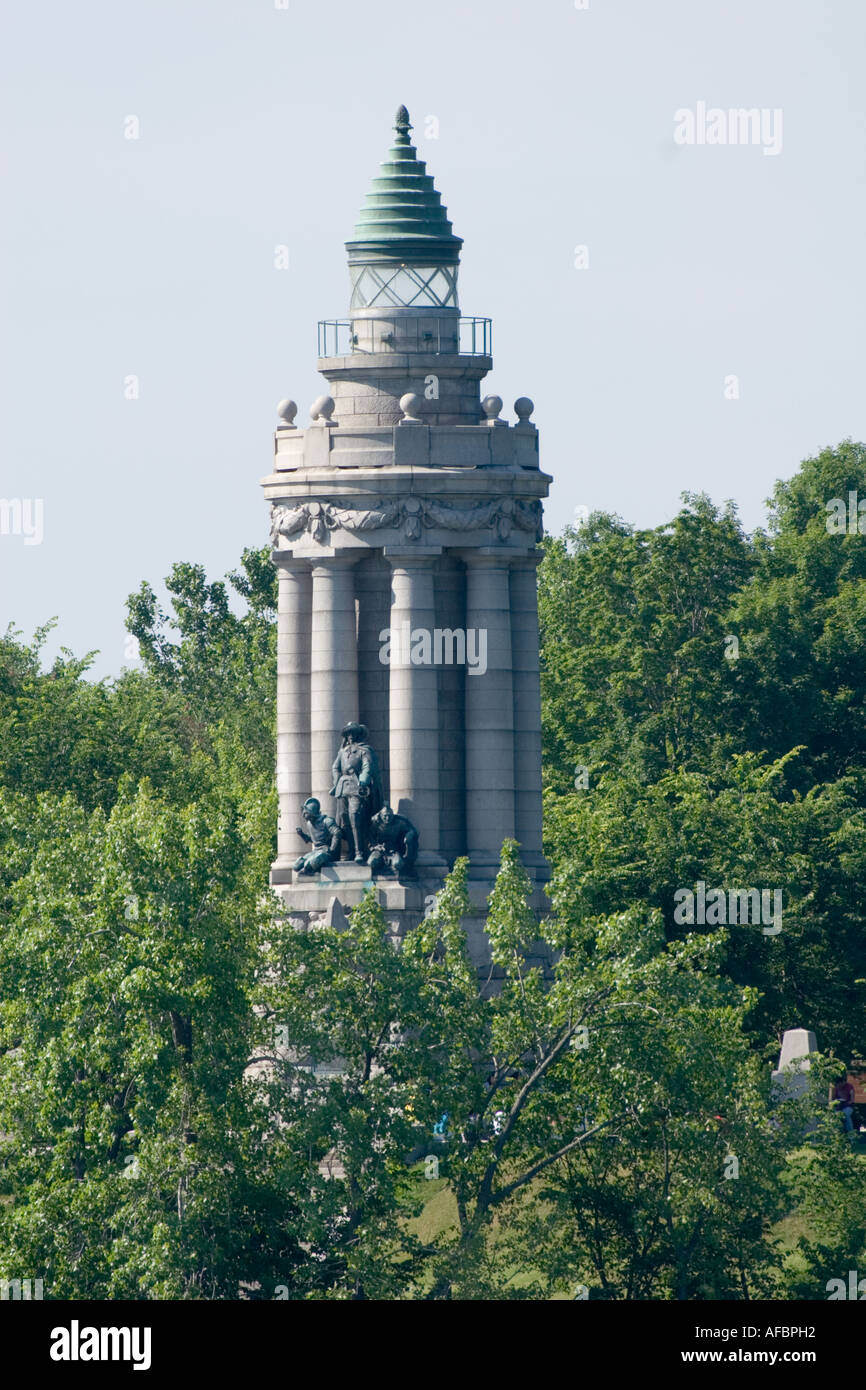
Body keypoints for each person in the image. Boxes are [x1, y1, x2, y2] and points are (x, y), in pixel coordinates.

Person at [330, 723, 383, 862]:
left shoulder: (364, 750)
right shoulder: (342, 752)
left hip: (356, 788)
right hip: (343, 788)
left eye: (353, 733)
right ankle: (351, 850)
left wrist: (363, 780)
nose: (351, 736)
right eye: (348, 734)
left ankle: (360, 852)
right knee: (344, 819)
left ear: (358, 734)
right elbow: (335, 767)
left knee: (355, 818)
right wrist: (337, 781)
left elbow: (367, 766)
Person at [366, 803, 419, 877]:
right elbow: (370, 837)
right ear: (381, 816)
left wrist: (409, 835)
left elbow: (412, 830)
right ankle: (381, 866)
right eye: (385, 816)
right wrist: (375, 846)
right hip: (379, 850)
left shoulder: (399, 823)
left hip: (394, 850)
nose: (387, 818)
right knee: (372, 862)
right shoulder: (376, 824)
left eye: (389, 816)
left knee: (398, 864)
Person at [293, 797, 342, 874]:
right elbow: (311, 839)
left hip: (326, 852)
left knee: (309, 864)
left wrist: (332, 849)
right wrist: (301, 834)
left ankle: (307, 872)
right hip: (316, 851)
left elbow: (337, 833)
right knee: (297, 865)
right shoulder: (309, 824)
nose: (303, 815)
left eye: (306, 813)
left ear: (312, 812)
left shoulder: (327, 821)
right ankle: (306, 871)